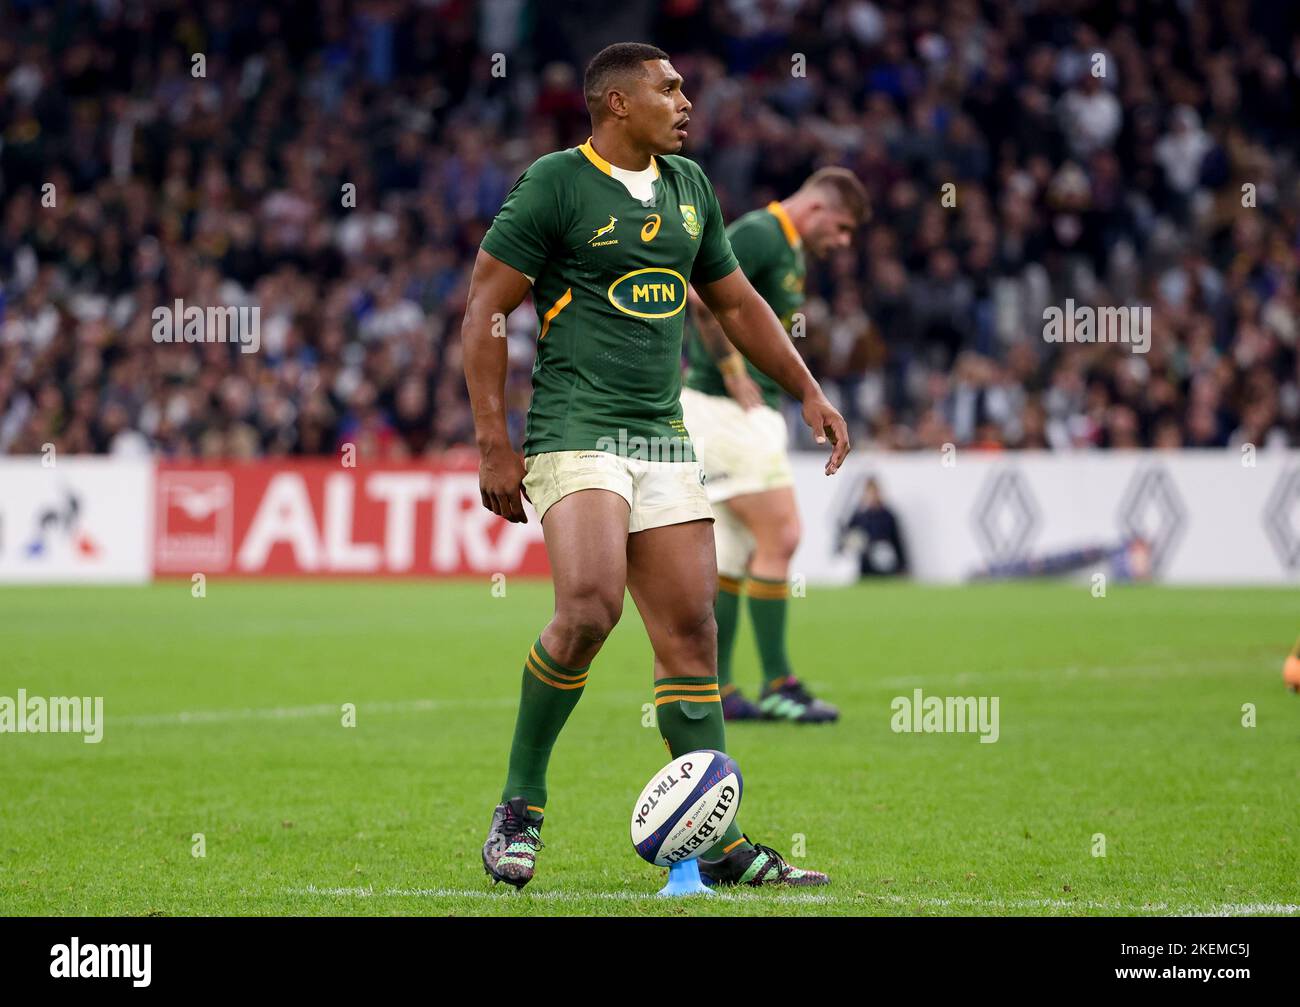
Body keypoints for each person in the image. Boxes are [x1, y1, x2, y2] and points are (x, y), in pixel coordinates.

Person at [462, 42, 849, 890]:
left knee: (693, 634)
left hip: (662, 434)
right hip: (576, 426)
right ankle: (521, 804)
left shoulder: (691, 187)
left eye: (683, 88)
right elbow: (485, 305)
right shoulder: (556, 183)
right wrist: (495, 440)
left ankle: (723, 843)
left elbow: (737, 302)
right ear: (615, 104)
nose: (685, 102)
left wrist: (807, 391)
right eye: (668, 89)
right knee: (591, 608)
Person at [682, 167, 868, 721]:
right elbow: (698, 289)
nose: (842, 243)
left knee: (739, 552)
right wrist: (734, 369)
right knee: (783, 533)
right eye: (840, 228)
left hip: (739, 413)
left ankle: (721, 692)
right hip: (727, 410)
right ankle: (780, 684)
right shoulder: (762, 233)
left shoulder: (790, 250)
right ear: (815, 210)